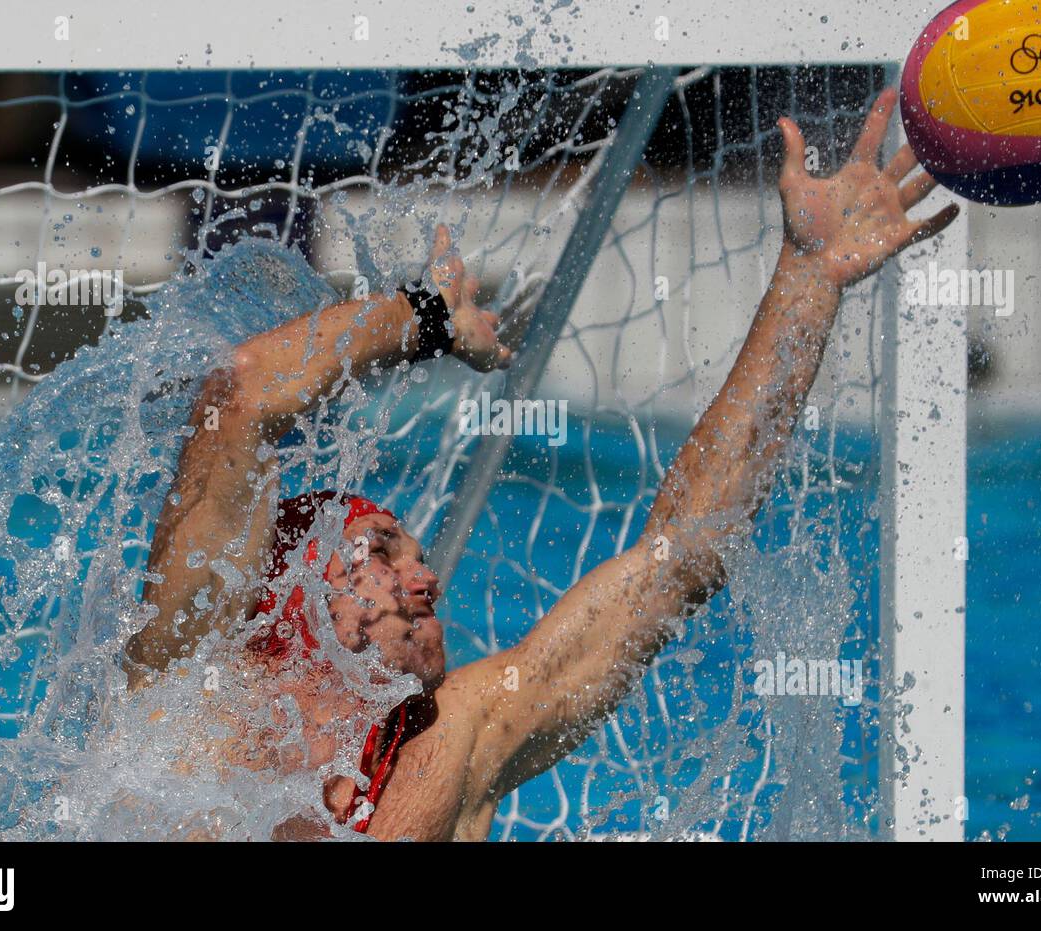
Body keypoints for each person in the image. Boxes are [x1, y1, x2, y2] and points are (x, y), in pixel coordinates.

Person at [122, 88, 958, 840]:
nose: (425, 580)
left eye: (413, 557)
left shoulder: (452, 738)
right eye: (380, 552)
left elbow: (681, 558)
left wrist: (809, 280)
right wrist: (422, 318)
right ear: (295, 586)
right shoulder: (185, 697)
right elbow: (240, 394)